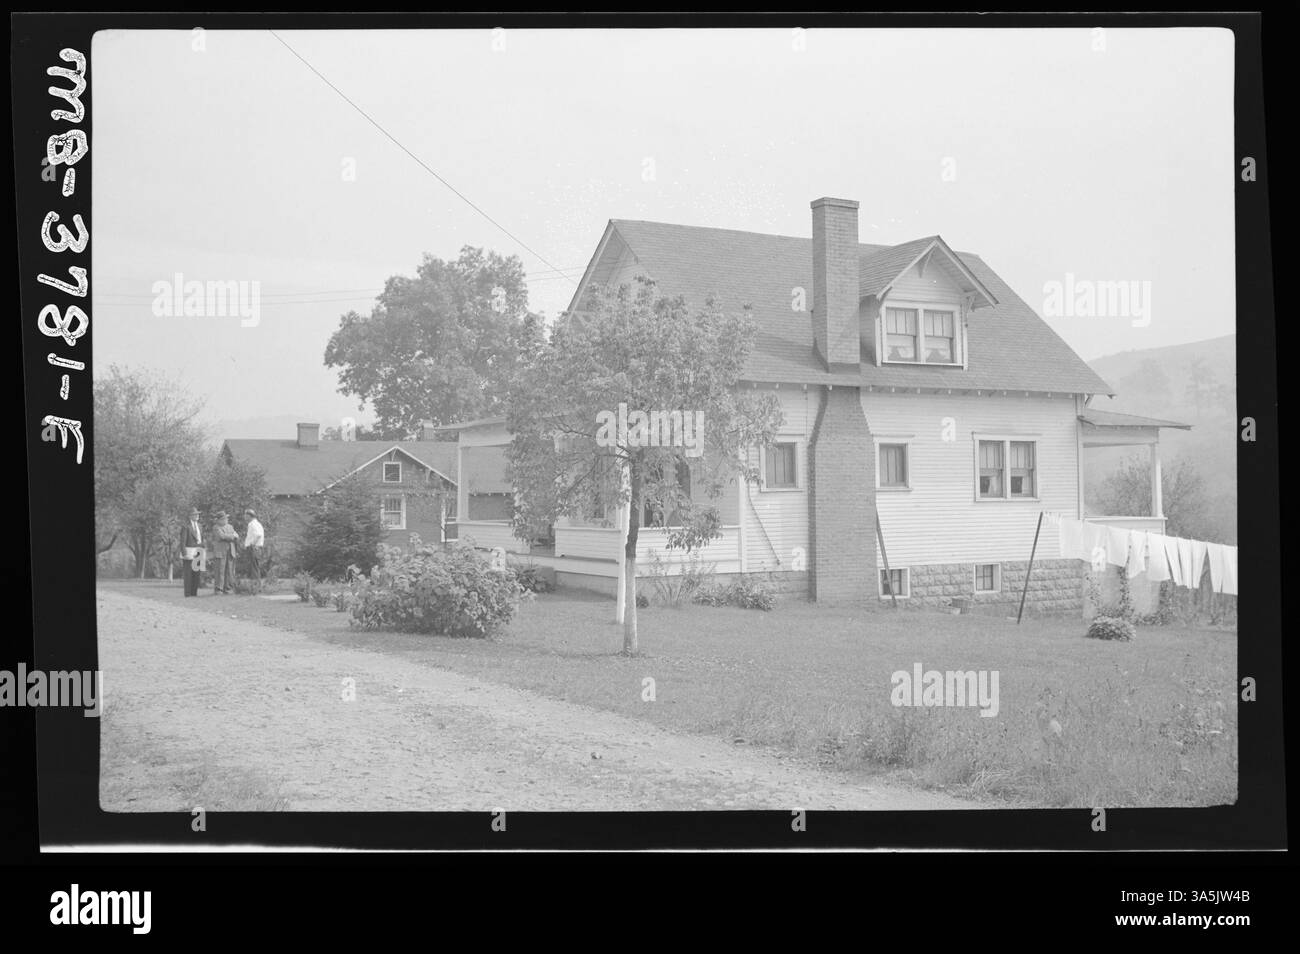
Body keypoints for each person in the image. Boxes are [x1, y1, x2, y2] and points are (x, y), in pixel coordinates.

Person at [211, 510, 239, 594]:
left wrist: (232, 536)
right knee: (220, 570)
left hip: (230, 551)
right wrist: (232, 536)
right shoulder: (216, 527)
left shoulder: (230, 526)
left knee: (229, 570)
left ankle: (228, 588)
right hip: (220, 552)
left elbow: (237, 536)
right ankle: (218, 589)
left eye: (226, 518)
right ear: (219, 520)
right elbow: (221, 536)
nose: (226, 520)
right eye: (224, 519)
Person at [179, 507, 203, 597]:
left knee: (197, 573)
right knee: (188, 573)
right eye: (195, 514)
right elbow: (182, 541)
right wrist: (184, 553)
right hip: (189, 551)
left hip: (199, 551)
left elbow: (201, 539)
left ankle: (194, 593)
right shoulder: (186, 526)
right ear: (190, 516)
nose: (197, 516)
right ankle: (188, 593)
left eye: (198, 514)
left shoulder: (200, 526)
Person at [243, 508, 265, 591]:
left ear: (249, 516)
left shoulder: (252, 524)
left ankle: (255, 587)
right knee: (255, 567)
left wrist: (252, 544)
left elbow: (258, 535)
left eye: (245, 515)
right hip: (257, 548)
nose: (244, 517)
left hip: (254, 548)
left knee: (254, 568)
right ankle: (257, 586)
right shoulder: (257, 523)